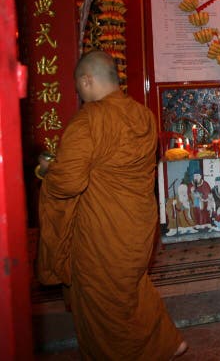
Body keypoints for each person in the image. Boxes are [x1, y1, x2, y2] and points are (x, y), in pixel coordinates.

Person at [36, 50, 186, 359]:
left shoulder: (89, 120)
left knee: (102, 304)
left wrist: (48, 170)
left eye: (78, 85)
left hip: (103, 232)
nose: (79, 93)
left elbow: (68, 183)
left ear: (87, 80)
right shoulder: (143, 114)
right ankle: (167, 342)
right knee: (131, 286)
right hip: (139, 225)